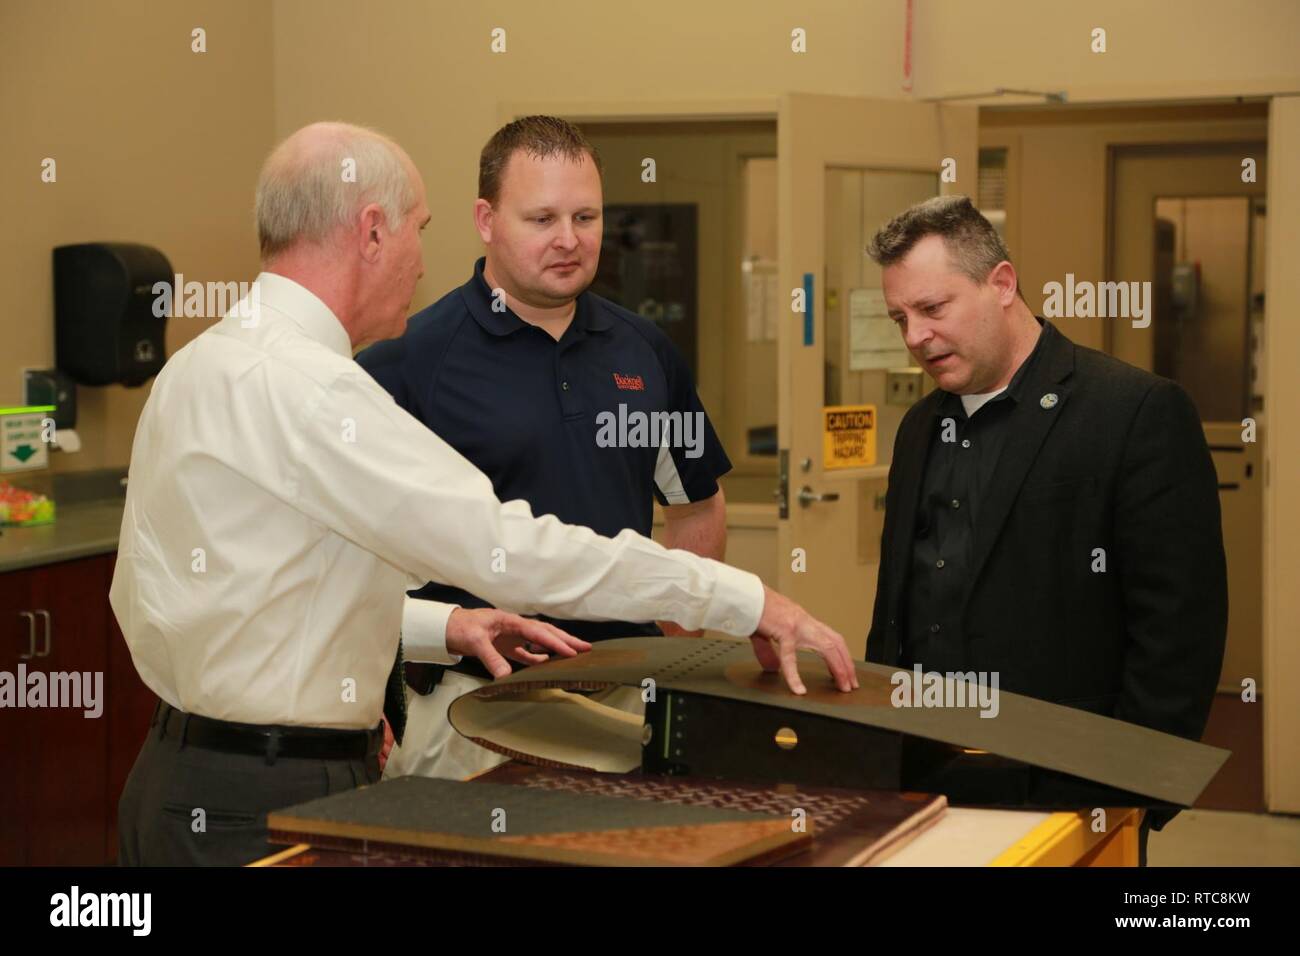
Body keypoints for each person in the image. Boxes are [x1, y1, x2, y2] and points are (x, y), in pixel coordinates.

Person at [110, 121, 857, 867]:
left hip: (175, 781)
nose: (421, 259)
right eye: (418, 230)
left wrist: (444, 626)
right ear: (372, 232)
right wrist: (746, 600)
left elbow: (255, 588)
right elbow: (506, 547)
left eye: (585, 217)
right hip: (269, 795)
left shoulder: (199, 365)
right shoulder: (321, 390)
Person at [358, 116, 732, 780]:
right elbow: (353, 551)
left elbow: (696, 506)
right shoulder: (410, 360)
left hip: (624, 699)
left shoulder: (644, 352)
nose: (569, 240)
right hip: (468, 709)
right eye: (542, 219)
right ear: (485, 219)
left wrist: (671, 659)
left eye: (585, 216)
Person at [863, 195, 1227, 865]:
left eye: (933, 309)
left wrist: (1136, 788)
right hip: (921, 776)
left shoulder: (1135, 412)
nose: (914, 336)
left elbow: (1180, 628)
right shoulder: (919, 428)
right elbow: (899, 603)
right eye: (899, 317)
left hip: (1068, 785)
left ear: (1002, 284)